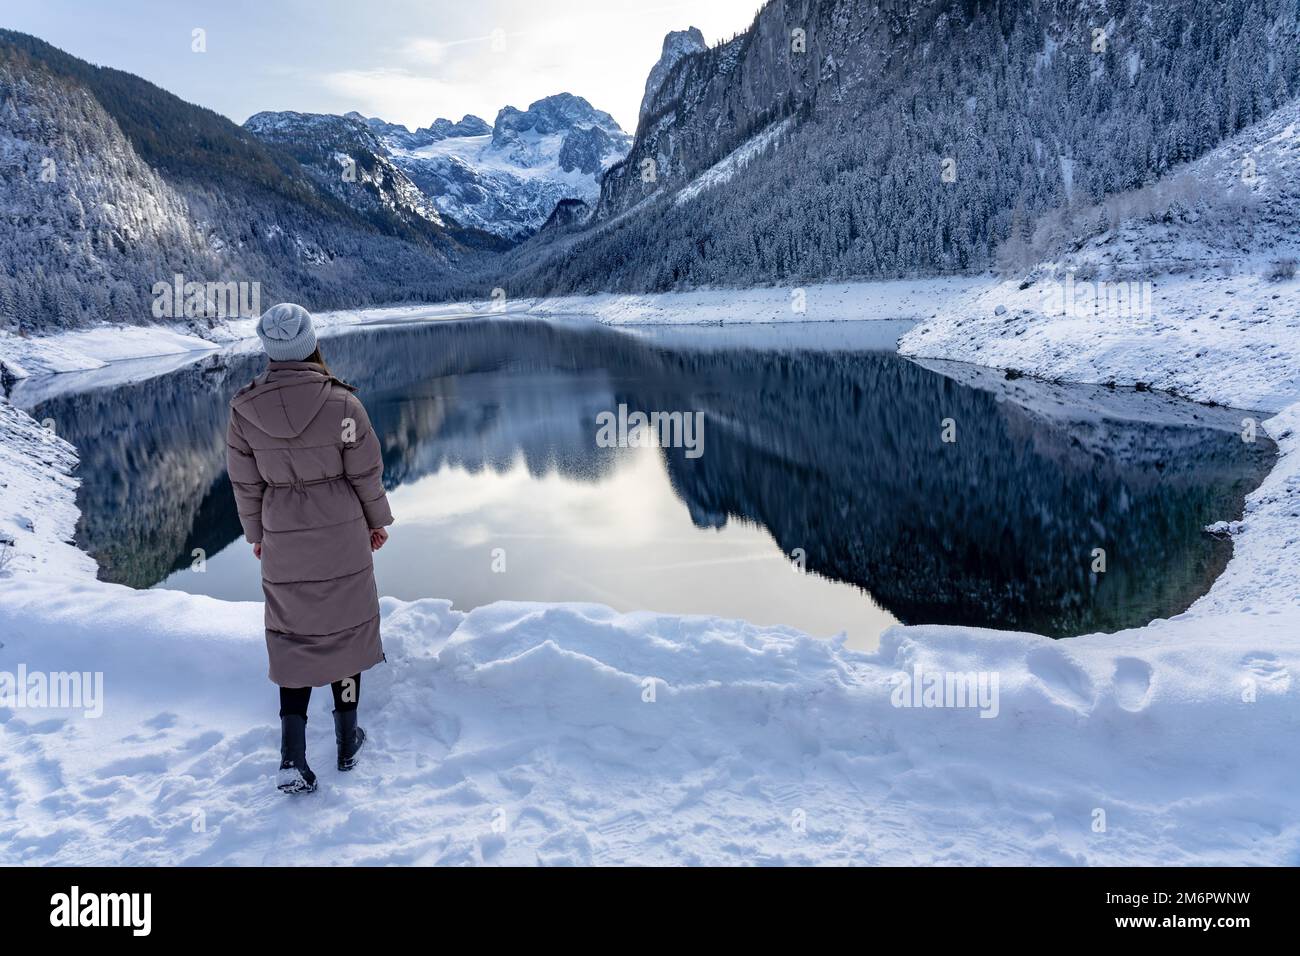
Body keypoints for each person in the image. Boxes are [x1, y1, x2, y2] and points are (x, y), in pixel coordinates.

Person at [226, 303, 393, 794]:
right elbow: (366, 472)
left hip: (282, 533)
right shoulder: (343, 405)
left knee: (292, 634)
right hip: (342, 530)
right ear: (311, 343)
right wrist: (376, 522)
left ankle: (292, 755)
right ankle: (346, 741)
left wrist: (257, 535)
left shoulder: (243, 410)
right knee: (344, 630)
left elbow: (245, 483)